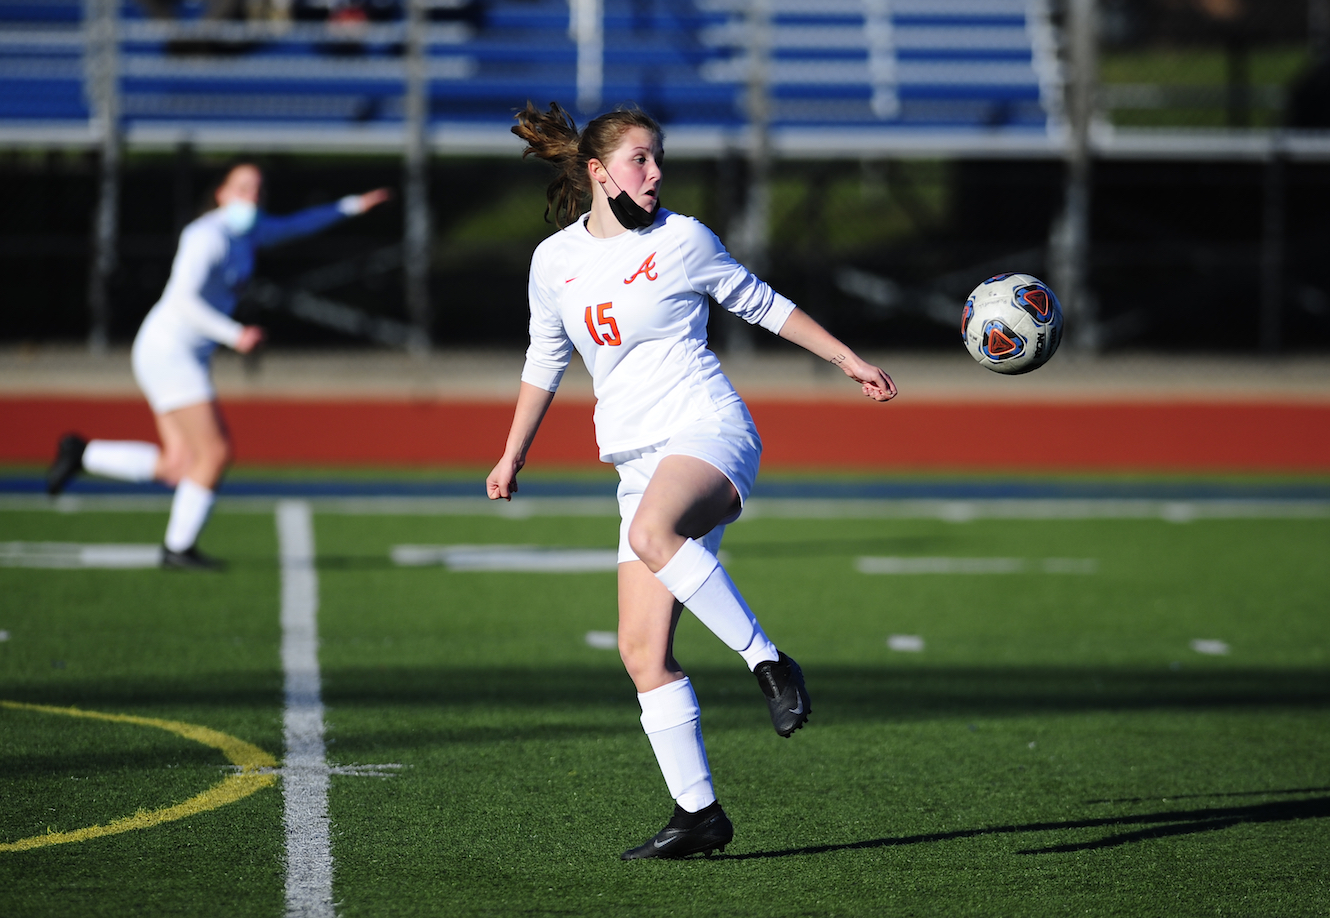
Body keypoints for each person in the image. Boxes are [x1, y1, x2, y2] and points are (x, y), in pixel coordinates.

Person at [486, 102, 896, 860]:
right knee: (641, 653)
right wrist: (513, 454)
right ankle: (699, 814)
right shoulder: (555, 262)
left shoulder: (682, 239)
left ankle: (769, 662)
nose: (656, 173)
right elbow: (545, 360)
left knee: (653, 533)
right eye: (641, 160)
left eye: (660, 158)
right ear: (599, 172)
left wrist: (846, 358)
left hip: (708, 432)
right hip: (637, 459)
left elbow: (761, 302)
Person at [46, 163, 390, 570]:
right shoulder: (205, 236)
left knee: (179, 464)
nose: (252, 196)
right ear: (221, 194)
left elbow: (297, 225)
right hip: (169, 350)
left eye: (258, 190)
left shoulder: (249, 231)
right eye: (242, 187)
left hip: (183, 354)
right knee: (215, 452)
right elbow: (183, 300)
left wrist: (351, 206)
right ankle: (177, 549)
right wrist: (235, 334)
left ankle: (82, 453)